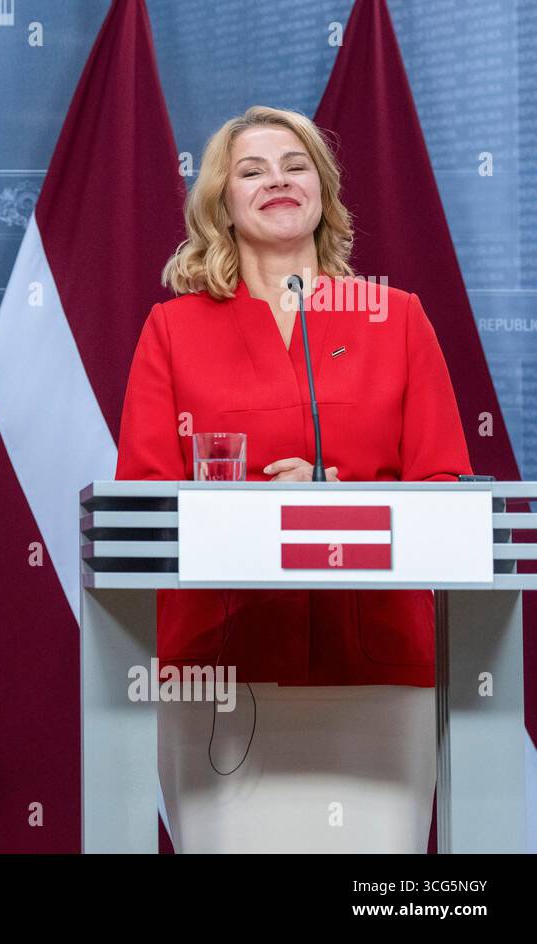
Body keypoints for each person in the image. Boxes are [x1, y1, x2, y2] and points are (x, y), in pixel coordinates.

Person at [113, 105, 473, 852]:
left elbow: (447, 489)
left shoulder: (398, 319)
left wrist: (343, 502)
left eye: (295, 165)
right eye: (252, 171)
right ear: (222, 204)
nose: (276, 180)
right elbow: (145, 506)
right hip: (220, 668)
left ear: (323, 191)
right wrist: (243, 513)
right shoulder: (172, 331)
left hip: (376, 669)